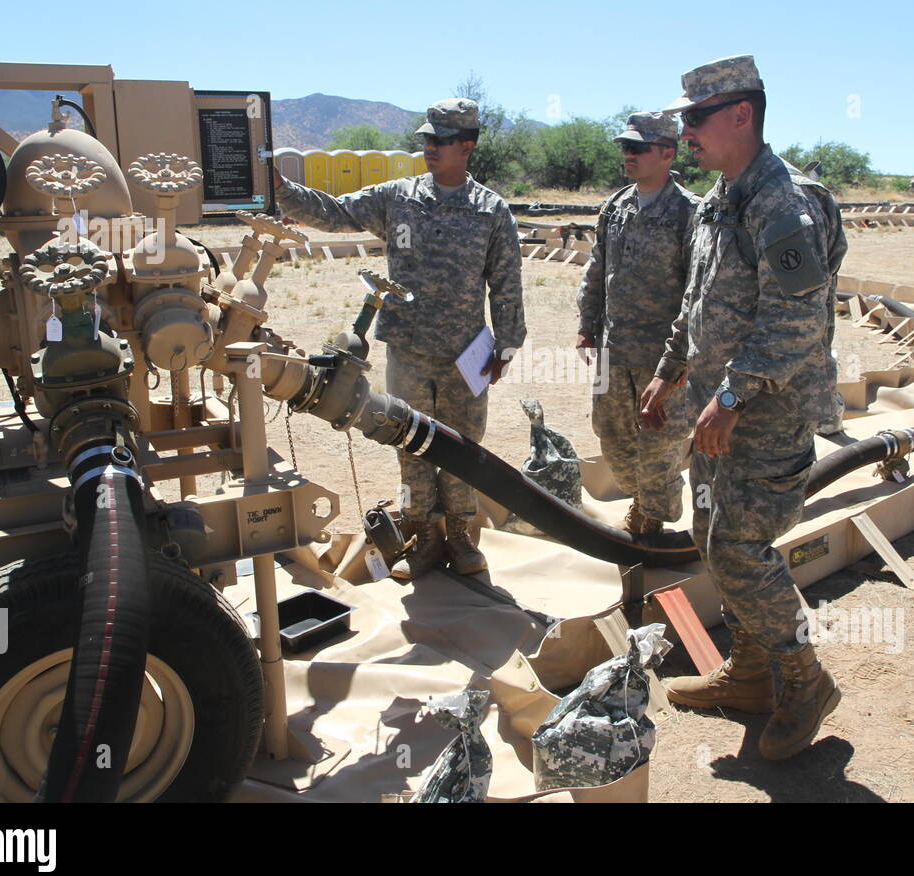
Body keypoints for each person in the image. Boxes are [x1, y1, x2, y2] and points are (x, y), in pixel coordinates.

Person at [639, 55, 847, 761]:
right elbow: (699, 307)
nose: (684, 132)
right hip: (714, 411)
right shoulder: (720, 200)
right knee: (712, 537)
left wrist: (731, 394)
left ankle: (804, 680)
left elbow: (797, 320)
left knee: (740, 549)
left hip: (767, 412)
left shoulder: (784, 202)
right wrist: (671, 372)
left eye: (694, 119)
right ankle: (753, 674)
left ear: (741, 115)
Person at [272, 98, 526, 579]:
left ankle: (461, 537)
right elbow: (336, 212)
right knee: (409, 446)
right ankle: (423, 536)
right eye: (426, 139)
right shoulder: (400, 197)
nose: (429, 147)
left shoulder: (491, 210)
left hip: (466, 354)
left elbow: (507, 283)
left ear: (467, 146)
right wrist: (283, 191)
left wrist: (507, 344)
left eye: (441, 140)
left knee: (464, 447)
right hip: (407, 350)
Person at [575, 112, 699, 538]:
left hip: (661, 360)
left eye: (638, 148)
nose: (628, 154)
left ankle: (653, 525)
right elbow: (597, 268)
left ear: (667, 153)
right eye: (625, 147)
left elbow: (697, 293)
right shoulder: (617, 205)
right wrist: (587, 323)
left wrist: (678, 363)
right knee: (612, 438)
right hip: (614, 351)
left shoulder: (690, 213)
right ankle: (642, 503)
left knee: (660, 446)